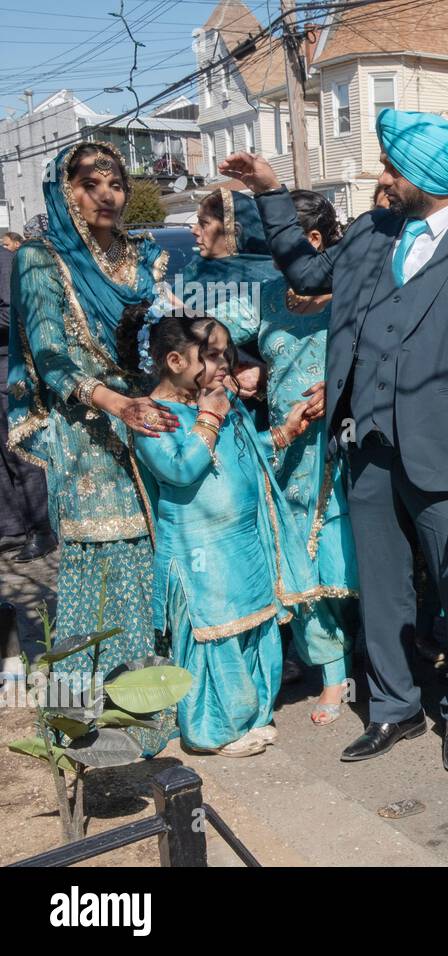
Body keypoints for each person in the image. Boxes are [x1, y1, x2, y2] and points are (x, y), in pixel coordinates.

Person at [221, 108, 448, 770]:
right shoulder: (368, 232)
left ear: (424, 176)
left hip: (445, 450)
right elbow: (305, 276)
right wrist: (270, 193)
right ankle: (392, 707)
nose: (383, 176)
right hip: (368, 443)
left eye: (393, 167)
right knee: (381, 583)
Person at [7, 142, 179, 756]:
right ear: (65, 190)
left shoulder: (142, 257)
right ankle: (71, 727)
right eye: (90, 182)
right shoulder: (39, 260)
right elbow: (50, 357)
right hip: (85, 436)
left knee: (143, 562)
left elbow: (163, 337)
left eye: (116, 183)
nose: (107, 194)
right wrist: (115, 404)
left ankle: (144, 718)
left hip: (146, 425)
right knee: (88, 571)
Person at [183, 187, 359, 726]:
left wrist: (341, 384)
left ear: (311, 242)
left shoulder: (353, 296)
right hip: (284, 460)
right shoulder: (264, 295)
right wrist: (228, 366)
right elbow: (209, 334)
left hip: (343, 453)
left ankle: (370, 663)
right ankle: (331, 675)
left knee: (350, 564)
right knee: (302, 571)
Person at [120, 305, 314, 757]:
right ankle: (212, 730)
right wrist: (209, 417)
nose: (225, 365)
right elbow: (182, 468)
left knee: (255, 627)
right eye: (213, 355)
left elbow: (247, 452)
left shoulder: (221, 402)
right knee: (216, 635)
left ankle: (251, 716)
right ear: (175, 362)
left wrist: (284, 432)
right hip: (199, 552)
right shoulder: (153, 415)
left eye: (227, 355)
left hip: (245, 542)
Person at [1, 229, 55, 563]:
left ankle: (42, 530)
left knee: (22, 456)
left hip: (9, 374)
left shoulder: (5, 261)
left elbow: (15, 313)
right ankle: (13, 528)